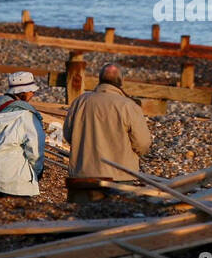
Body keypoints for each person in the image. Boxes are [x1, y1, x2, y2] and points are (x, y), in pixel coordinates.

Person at [62, 63, 151, 201]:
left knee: (82, 217)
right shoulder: (128, 106)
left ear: (100, 80)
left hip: (83, 175)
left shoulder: (80, 102)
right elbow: (143, 143)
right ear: (121, 81)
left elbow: (68, 135)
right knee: (114, 218)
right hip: (120, 176)